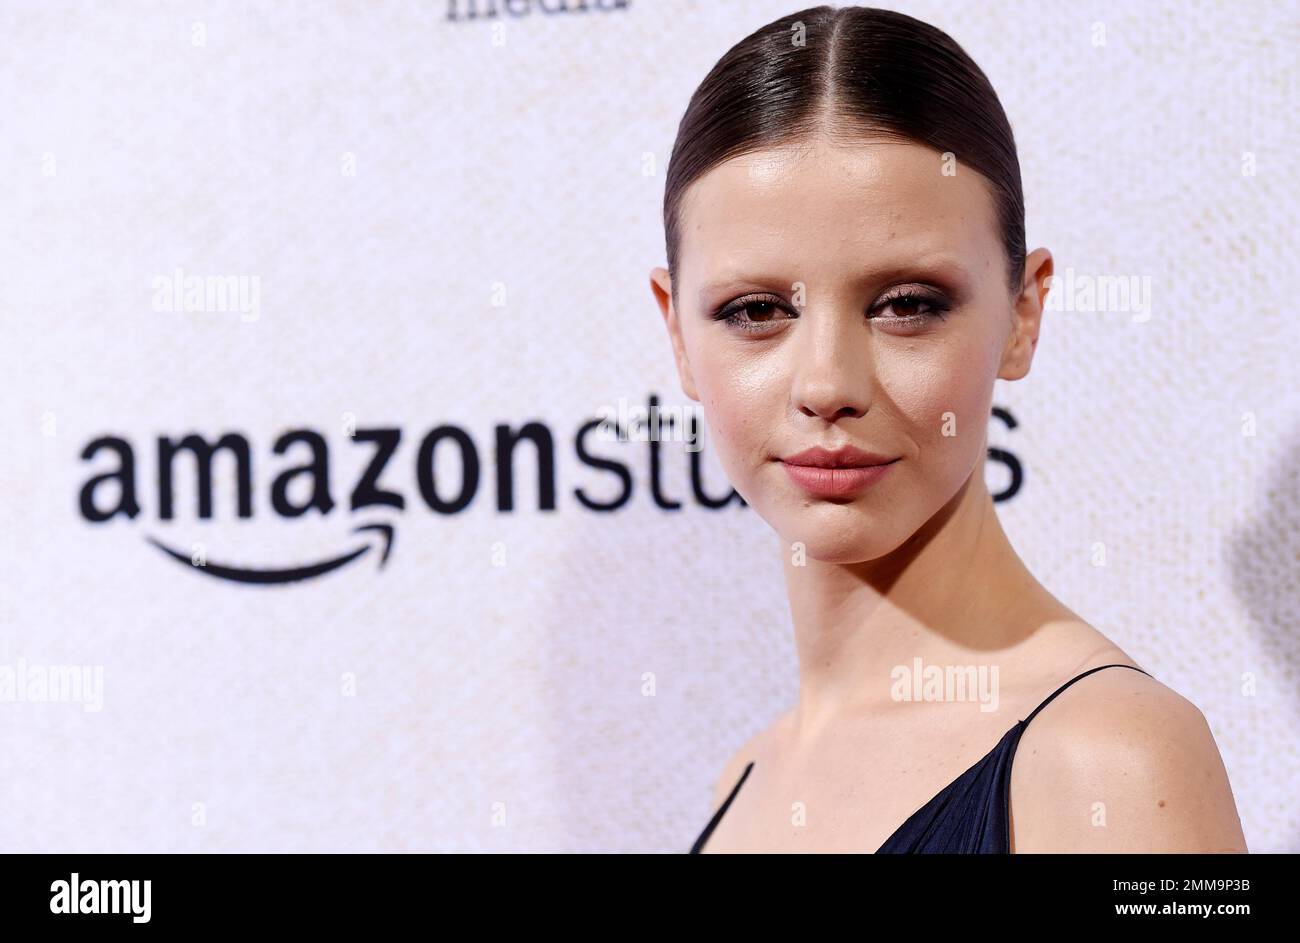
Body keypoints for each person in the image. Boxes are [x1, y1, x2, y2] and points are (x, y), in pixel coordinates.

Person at [648, 4, 1247, 853]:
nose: (826, 384)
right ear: (678, 333)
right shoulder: (743, 782)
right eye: (756, 310)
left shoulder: (1116, 760)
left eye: (906, 305)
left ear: (1022, 314)